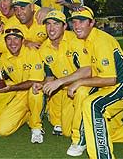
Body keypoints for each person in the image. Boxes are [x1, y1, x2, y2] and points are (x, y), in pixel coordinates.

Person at [68, 6, 123, 158]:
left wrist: (79, 82)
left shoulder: (101, 40)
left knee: (93, 105)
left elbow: (110, 78)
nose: (76, 25)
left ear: (92, 23)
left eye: (81, 21)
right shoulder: (87, 40)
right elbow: (90, 71)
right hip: (110, 87)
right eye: (74, 21)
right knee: (111, 133)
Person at [33, 10, 92, 156]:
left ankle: (94, 124)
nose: (51, 28)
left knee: (77, 123)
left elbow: (87, 71)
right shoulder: (44, 49)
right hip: (65, 89)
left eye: (56, 24)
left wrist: (59, 82)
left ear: (65, 26)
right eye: (48, 24)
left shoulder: (75, 40)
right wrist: (42, 84)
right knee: (66, 131)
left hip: (85, 86)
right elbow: (49, 76)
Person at [0, 27, 46, 144]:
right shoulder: (3, 58)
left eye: (16, 39)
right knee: (2, 130)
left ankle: (36, 127)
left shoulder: (32, 53)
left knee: (36, 91)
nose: (12, 43)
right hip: (19, 95)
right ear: (5, 42)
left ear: (23, 41)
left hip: (33, 91)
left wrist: (11, 88)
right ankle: (28, 114)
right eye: (9, 39)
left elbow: (35, 81)